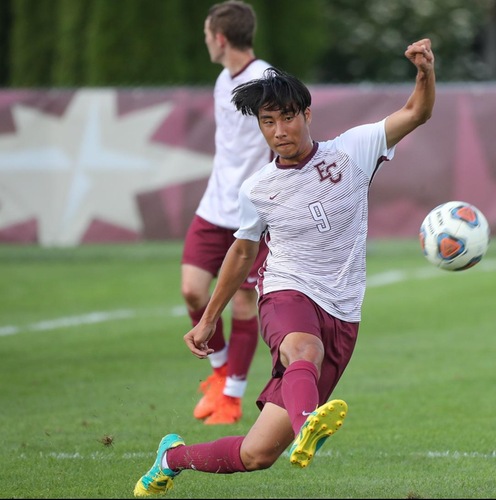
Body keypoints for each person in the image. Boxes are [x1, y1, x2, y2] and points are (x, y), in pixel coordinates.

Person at [133, 38, 436, 496]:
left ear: (307, 115)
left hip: (344, 312)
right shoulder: (258, 188)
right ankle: (308, 421)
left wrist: (424, 72)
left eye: (287, 117)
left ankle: (171, 458)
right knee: (302, 350)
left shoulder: (352, 150)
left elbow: (417, 112)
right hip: (286, 293)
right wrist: (210, 317)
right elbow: (241, 252)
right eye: (267, 122)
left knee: (255, 455)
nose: (278, 130)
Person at [181, 0, 273, 426]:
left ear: (220, 38)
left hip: (250, 214)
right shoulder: (223, 80)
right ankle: (219, 375)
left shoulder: (267, 80)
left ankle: (232, 398)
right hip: (213, 205)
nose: (205, 41)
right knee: (193, 291)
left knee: (241, 301)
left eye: (205, 34)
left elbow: (285, 136)